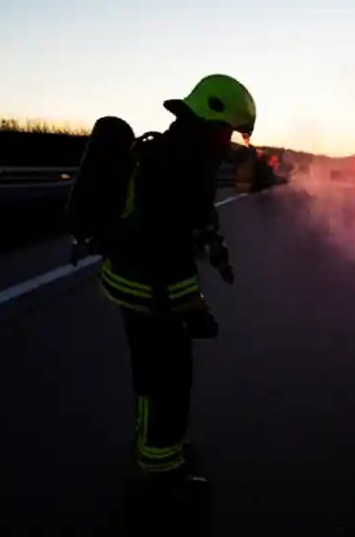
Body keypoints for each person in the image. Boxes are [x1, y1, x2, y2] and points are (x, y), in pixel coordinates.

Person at [95, 74, 256, 485]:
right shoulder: (177, 165)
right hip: (144, 284)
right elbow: (167, 250)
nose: (229, 144)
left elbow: (197, 220)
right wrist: (194, 307)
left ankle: (153, 441)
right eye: (229, 133)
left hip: (144, 278)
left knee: (162, 369)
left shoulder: (180, 154)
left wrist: (218, 257)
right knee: (163, 373)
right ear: (213, 123)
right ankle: (159, 465)